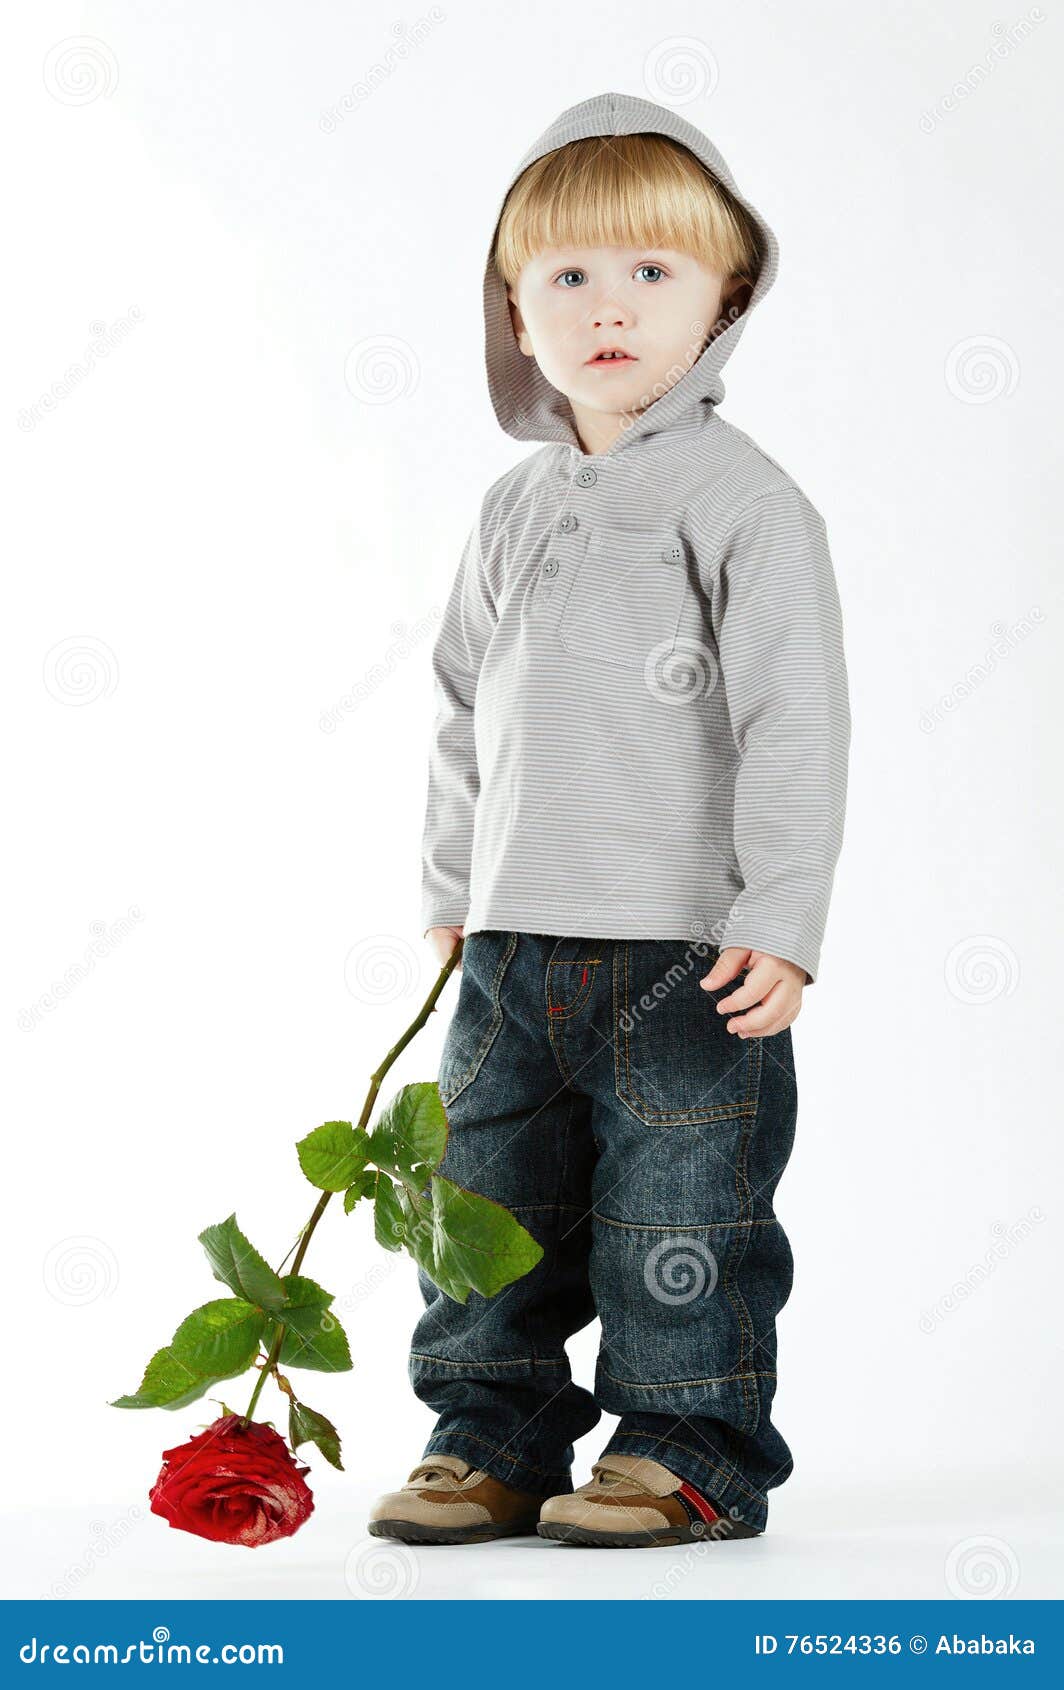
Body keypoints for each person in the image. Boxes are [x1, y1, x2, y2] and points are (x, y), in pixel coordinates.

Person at [369, 90, 850, 1548]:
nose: (609, 307)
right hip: (512, 947)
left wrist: (782, 919)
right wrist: (452, 890)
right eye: (567, 274)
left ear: (726, 297)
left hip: (685, 956)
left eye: (652, 270)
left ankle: (688, 1448)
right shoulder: (510, 508)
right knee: (483, 1201)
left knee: (681, 1209)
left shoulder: (742, 499)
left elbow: (794, 717)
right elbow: (463, 703)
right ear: (514, 311)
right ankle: (490, 1433)